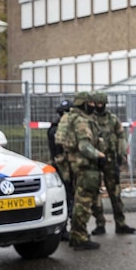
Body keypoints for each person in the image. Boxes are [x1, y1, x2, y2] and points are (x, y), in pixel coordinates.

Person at [53, 91, 104, 251]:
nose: (94, 107)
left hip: (72, 165)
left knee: (78, 200)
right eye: (91, 104)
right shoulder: (81, 120)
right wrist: (99, 155)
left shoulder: (69, 117)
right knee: (84, 202)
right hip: (85, 165)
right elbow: (84, 146)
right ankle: (79, 236)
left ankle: (77, 234)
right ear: (84, 104)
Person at [88, 91, 136, 235]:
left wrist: (121, 154)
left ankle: (120, 223)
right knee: (95, 195)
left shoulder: (113, 119)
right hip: (95, 160)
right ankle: (100, 223)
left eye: (101, 104)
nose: (99, 106)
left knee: (115, 193)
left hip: (110, 159)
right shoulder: (89, 120)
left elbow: (121, 136)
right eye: (97, 104)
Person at [47, 98, 73, 242]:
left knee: (67, 196)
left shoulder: (53, 127)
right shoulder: (58, 129)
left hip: (60, 165)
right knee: (68, 196)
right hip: (64, 167)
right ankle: (64, 230)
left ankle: (65, 229)